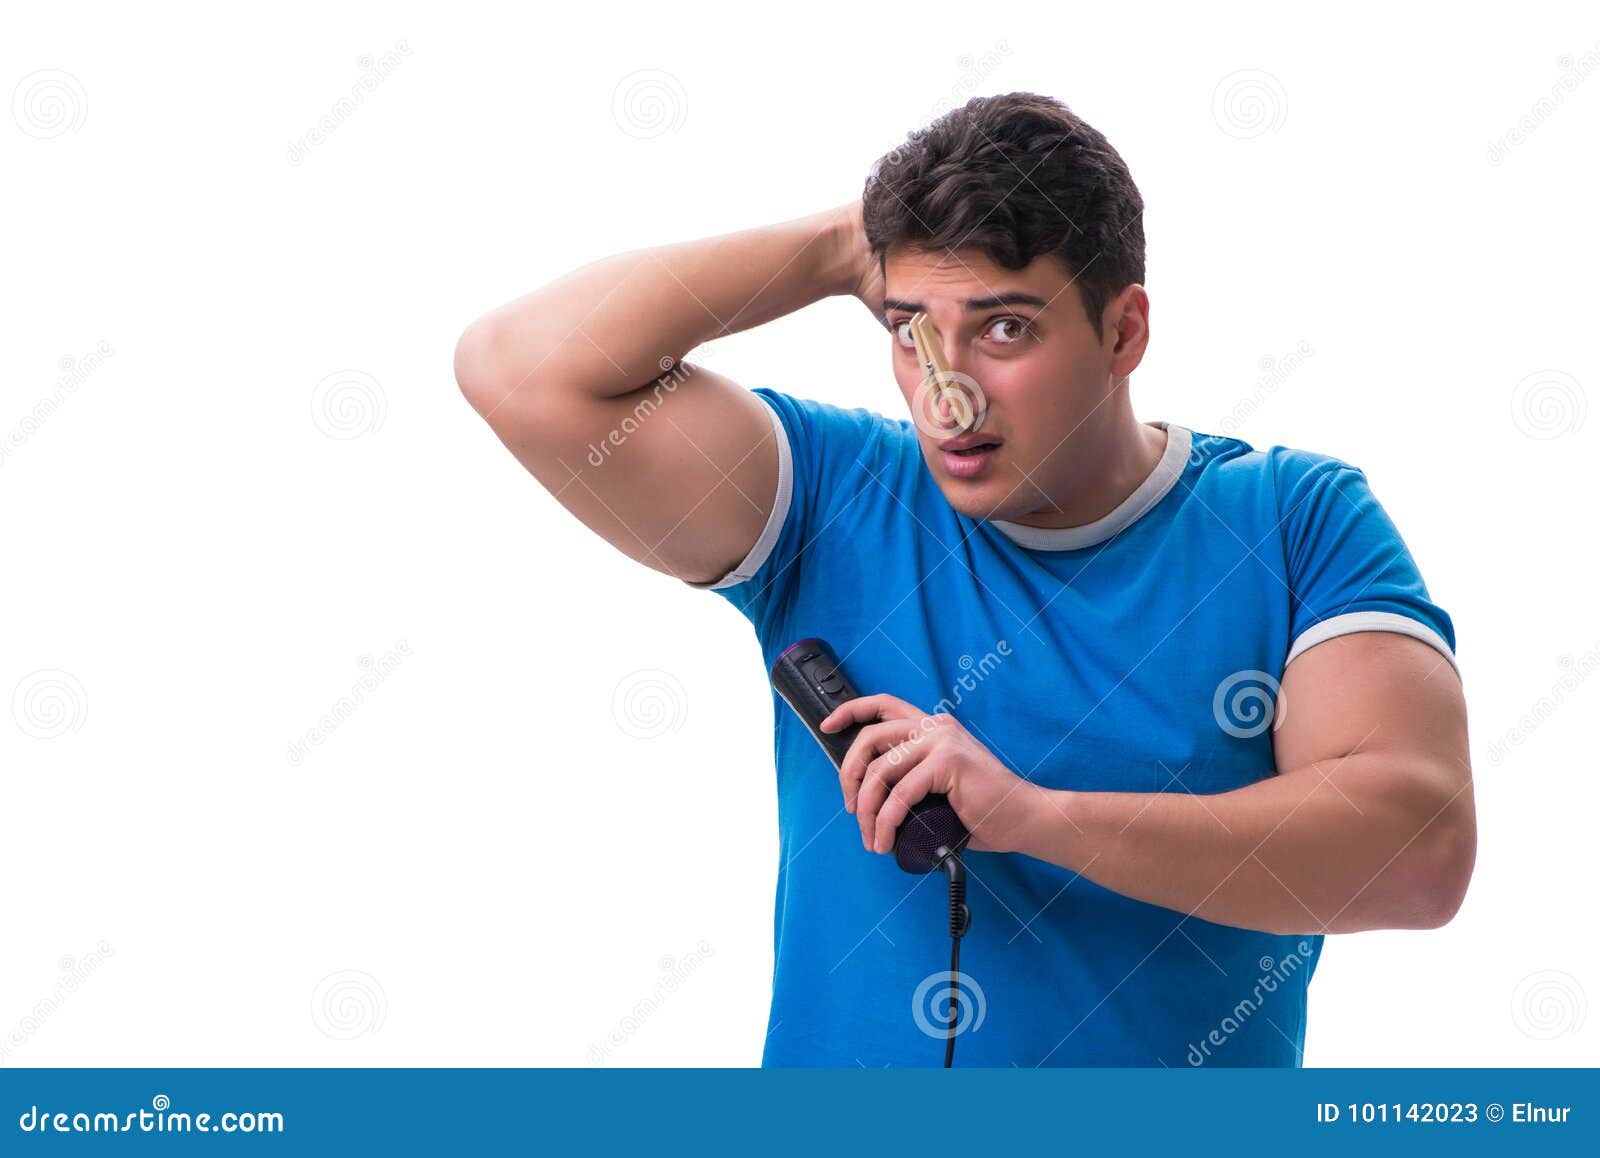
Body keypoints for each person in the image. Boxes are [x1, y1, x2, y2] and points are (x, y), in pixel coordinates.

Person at [453, 92, 1476, 1067]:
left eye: (1002, 329)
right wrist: (837, 247)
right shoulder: (828, 496)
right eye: (909, 330)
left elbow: (1417, 849)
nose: (946, 395)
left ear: (1122, 332)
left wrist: (1035, 815)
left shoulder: (1292, 520)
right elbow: (519, 368)